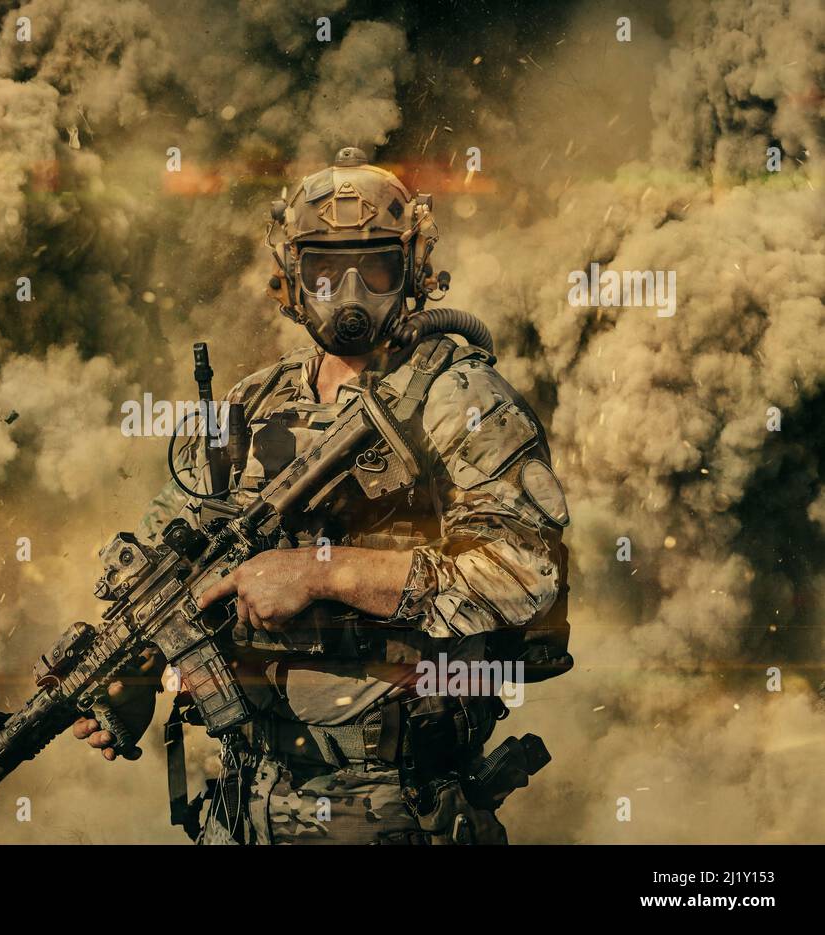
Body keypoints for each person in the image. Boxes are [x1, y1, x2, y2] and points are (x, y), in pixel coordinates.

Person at [72, 146, 572, 844]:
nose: (350, 292)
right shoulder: (252, 402)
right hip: (243, 803)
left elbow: (529, 573)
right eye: (324, 270)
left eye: (374, 267)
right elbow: (176, 564)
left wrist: (321, 572)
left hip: (394, 803)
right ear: (289, 277)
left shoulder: (463, 398)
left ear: (414, 270)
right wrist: (132, 678)